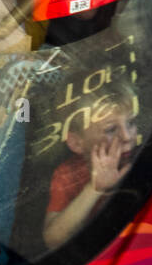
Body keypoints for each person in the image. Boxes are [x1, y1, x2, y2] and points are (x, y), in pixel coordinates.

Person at [43, 74, 138, 249]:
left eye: (131, 122)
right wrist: (95, 189)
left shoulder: (142, 156)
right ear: (77, 143)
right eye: (111, 129)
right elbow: (53, 240)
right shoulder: (69, 174)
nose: (127, 136)